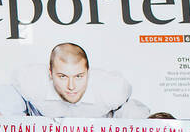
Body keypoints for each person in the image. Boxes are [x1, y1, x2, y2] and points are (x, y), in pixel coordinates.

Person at [14, 43, 149, 119]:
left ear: (88, 73)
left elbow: (131, 110)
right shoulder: (31, 83)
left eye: (79, 76)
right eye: (62, 76)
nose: (71, 86)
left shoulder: (112, 89)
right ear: (50, 73)